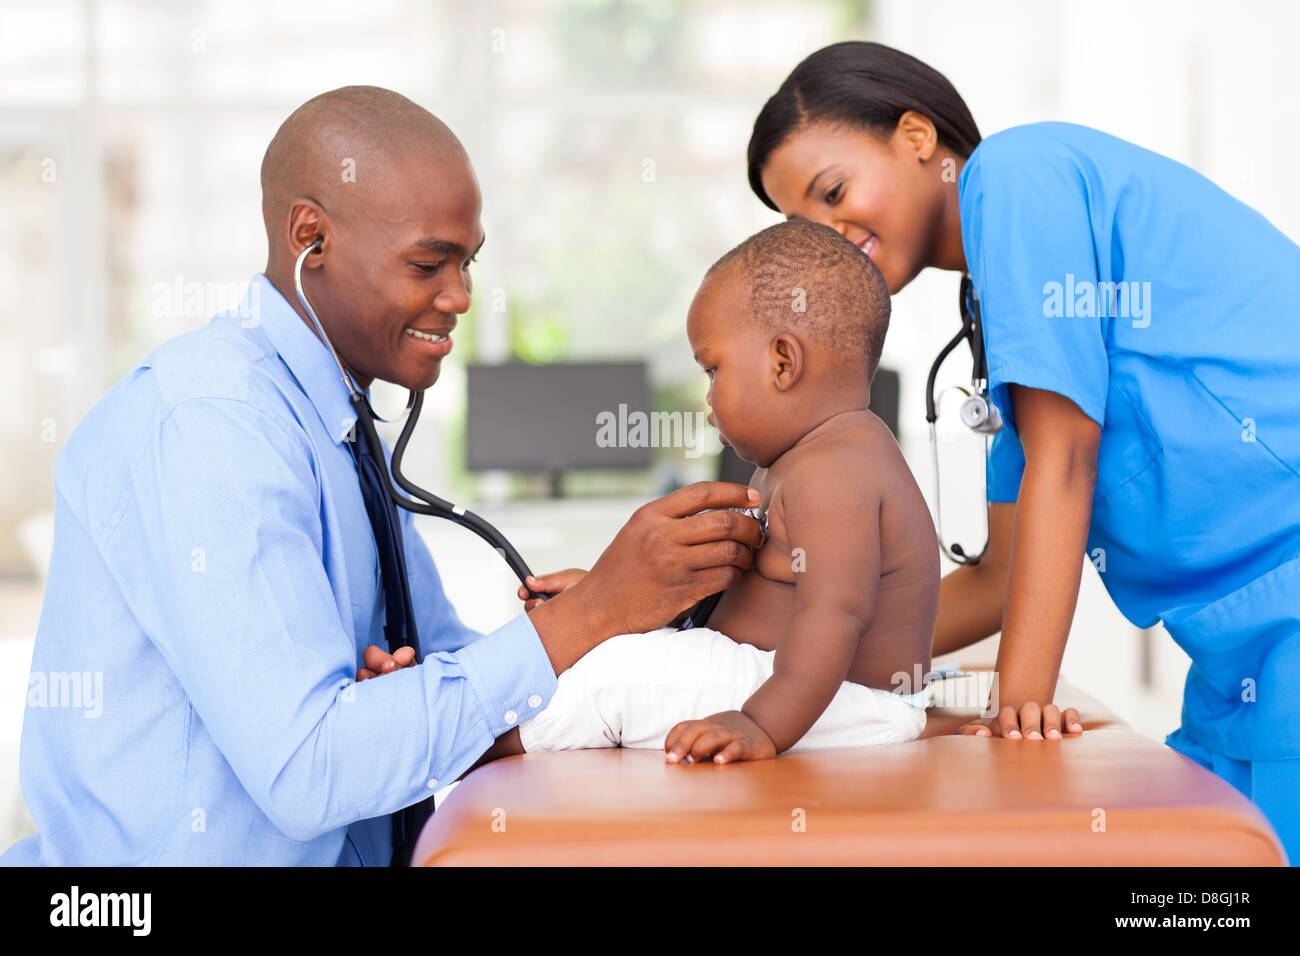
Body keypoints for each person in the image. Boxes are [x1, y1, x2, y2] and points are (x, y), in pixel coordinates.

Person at [0, 86, 763, 866]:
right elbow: (310, 771)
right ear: (311, 238)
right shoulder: (209, 425)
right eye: (429, 263)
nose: (461, 296)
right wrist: (588, 615)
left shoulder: (339, 423)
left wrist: (620, 624)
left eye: (467, 263)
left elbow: (451, 674)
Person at [742, 40, 1300, 862]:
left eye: (834, 191)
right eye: (801, 225)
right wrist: (795, 653)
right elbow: (1000, 579)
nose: (828, 235)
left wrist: (1021, 709)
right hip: (1238, 656)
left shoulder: (1015, 175)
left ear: (917, 136)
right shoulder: (999, 314)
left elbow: (1065, 460)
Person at [376, 219, 938, 765]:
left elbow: (834, 615)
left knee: (614, 681)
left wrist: (762, 723)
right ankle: (437, 703)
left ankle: (448, 736)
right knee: (607, 651)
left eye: (713, 369)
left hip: (835, 699)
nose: (708, 397)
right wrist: (613, 603)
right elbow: (759, 602)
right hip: (797, 683)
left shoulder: (834, 472)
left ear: (783, 362)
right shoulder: (804, 459)